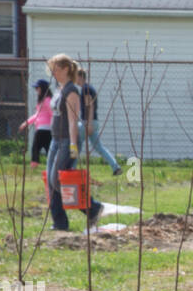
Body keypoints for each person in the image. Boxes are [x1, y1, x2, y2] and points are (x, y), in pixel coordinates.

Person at [45, 54, 103, 233]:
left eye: (56, 69)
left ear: (65, 69)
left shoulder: (72, 91)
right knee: (50, 180)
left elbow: (72, 120)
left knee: (57, 180)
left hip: (66, 141)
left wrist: (72, 145)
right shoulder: (59, 88)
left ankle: (92, 208)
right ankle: (60, 223)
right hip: (55, 139)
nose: (52, 72)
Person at [76, 68, 122, 176]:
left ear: (80, 77)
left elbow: (90, 106)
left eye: (76, 76)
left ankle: (70, 168)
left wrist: (89, 123)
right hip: (93, 122)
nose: (74, 79)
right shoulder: (88, 88)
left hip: (88, 122)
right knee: (99, 147)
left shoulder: (85, 89)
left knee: (76, 142)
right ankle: (116, 167)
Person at [19, 78, 53, 168]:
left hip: (44, 129)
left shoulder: (47, 100)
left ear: (43, 88)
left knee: (35, 148)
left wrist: (54, 126)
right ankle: (50, 164)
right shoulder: (42, 101)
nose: (36, 90)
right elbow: (37, 115)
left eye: (38, 88)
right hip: (43, 129)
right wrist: (26, 123)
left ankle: (34, 164)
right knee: (48, 148)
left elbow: (52, 113)